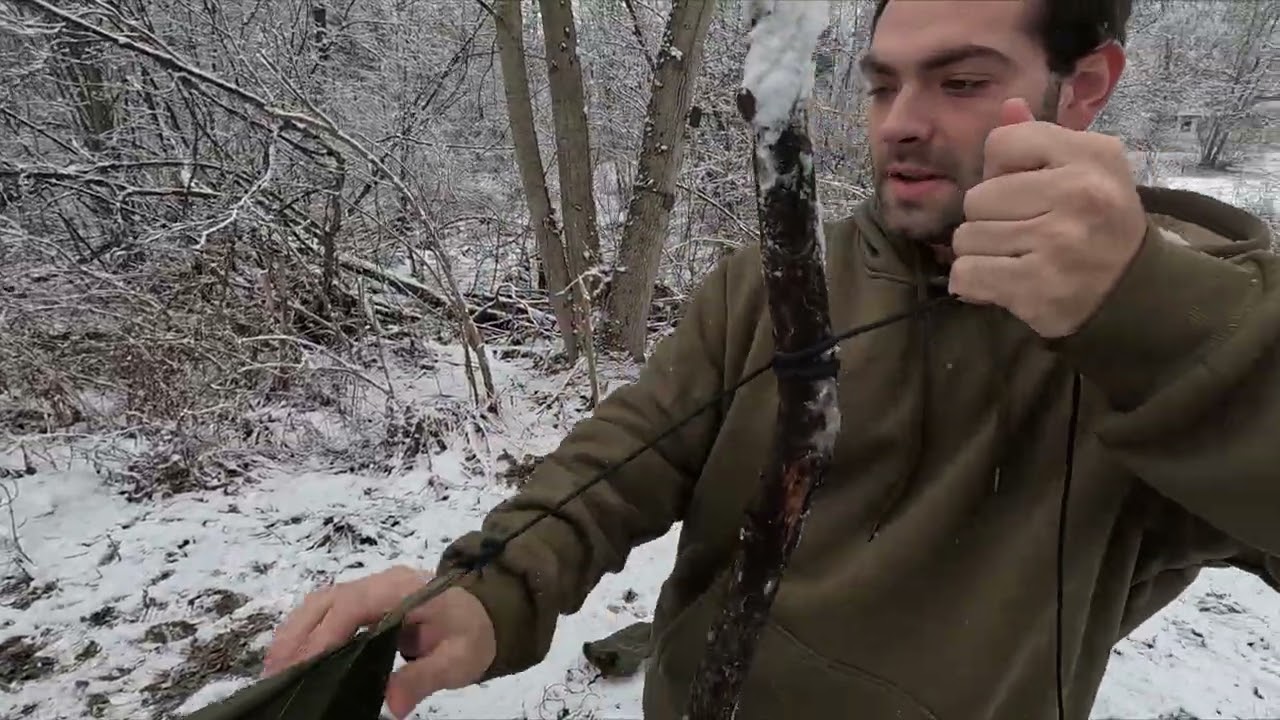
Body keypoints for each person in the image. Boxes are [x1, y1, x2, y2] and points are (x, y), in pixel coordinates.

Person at [261, 0, 1280, 718]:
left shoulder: (1174, 330)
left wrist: (1148, 315)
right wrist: (489, 589)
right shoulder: (783, 278)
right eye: (881, 84)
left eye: (961, 81)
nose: (899, 123)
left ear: (1085, 83)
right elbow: (626, 456)